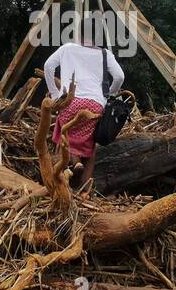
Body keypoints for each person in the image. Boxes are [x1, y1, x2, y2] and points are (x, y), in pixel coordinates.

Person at [42, 15, 124, 190]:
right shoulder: (105, 54)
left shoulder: (68, 48)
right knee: (91, 148)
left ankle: (63, 179)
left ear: (79, 33)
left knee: (63, 137)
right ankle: (85, 190)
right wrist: (109, 94)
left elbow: (48, 66)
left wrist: (56, 94)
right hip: (95, 106)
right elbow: (119, 77)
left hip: (70, 102)